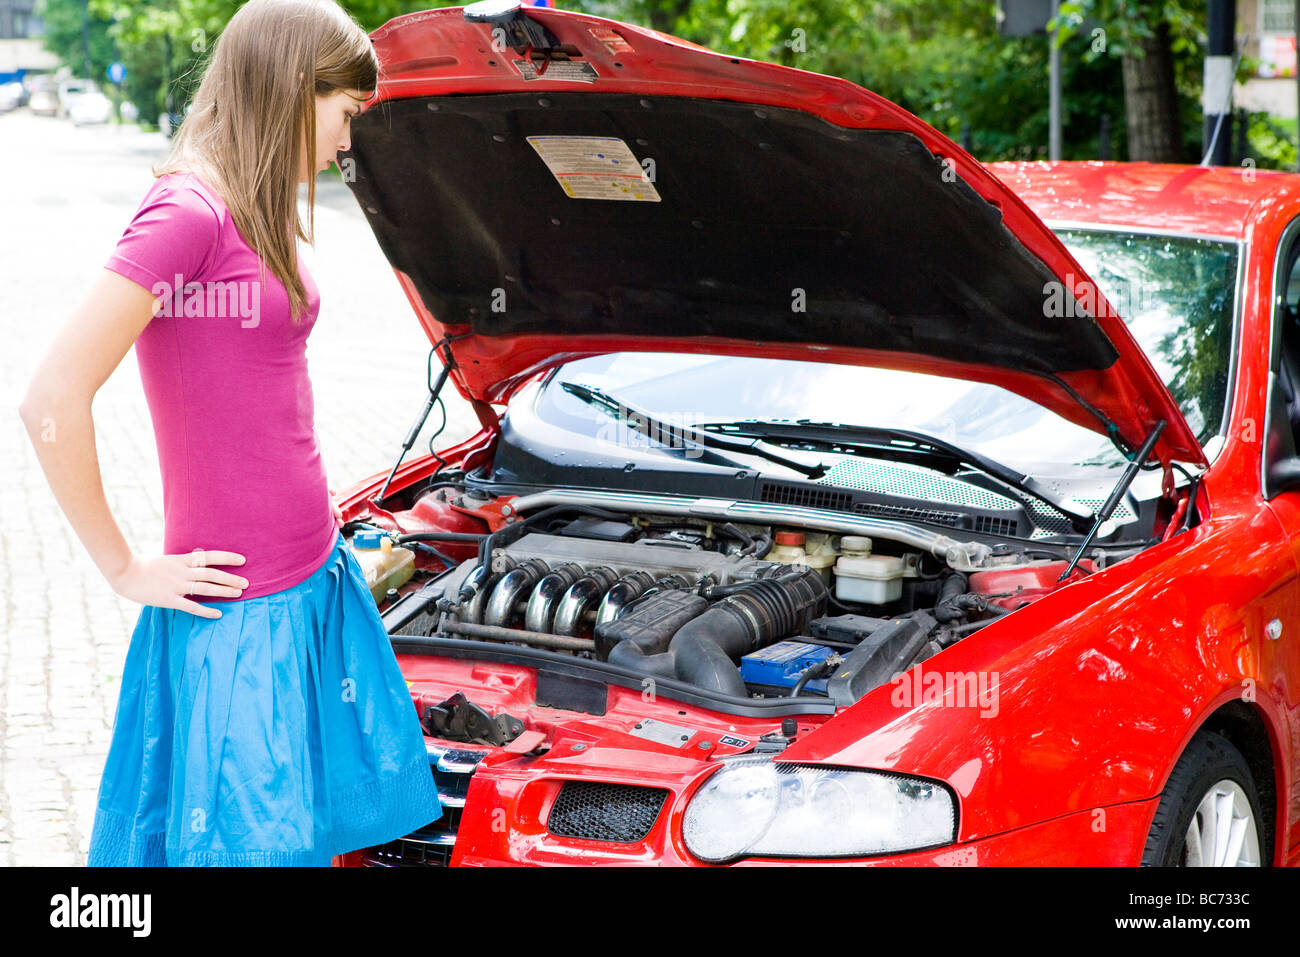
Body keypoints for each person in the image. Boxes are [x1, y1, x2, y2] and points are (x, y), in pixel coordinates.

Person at [18, 0, 441, 866]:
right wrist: (125, 567)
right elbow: (51, 395)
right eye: (345, 113)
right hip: (238, 614)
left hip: (311, 582)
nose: (348, 142)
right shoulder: (189, 212)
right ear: (293, 87)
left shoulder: (251, 202)